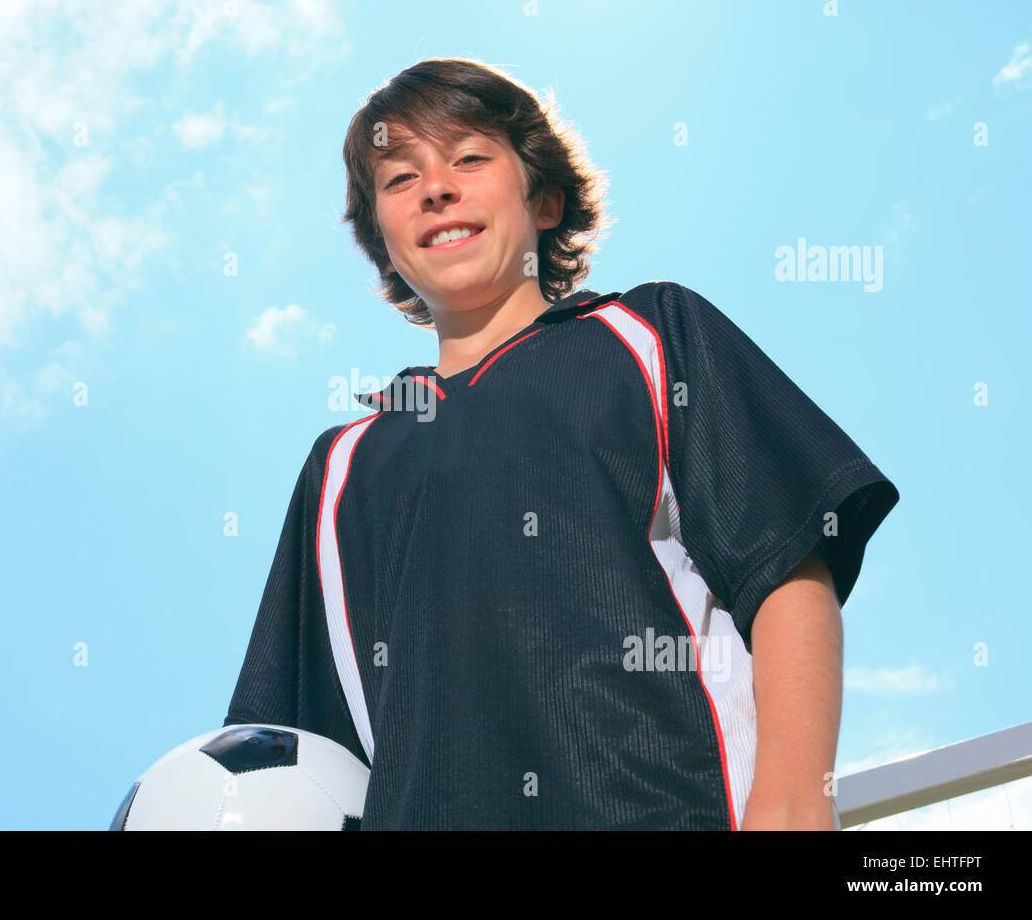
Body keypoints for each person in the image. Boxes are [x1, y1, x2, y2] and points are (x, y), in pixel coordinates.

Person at [223, 57, 899, 829]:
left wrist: (792, 799)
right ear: (381, 236)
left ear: (544, 199)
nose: (436, 188)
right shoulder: (341, 466)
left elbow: (785, 572)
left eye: (470, 158)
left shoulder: (651, 336)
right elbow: (297, 755)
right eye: (399, 179)